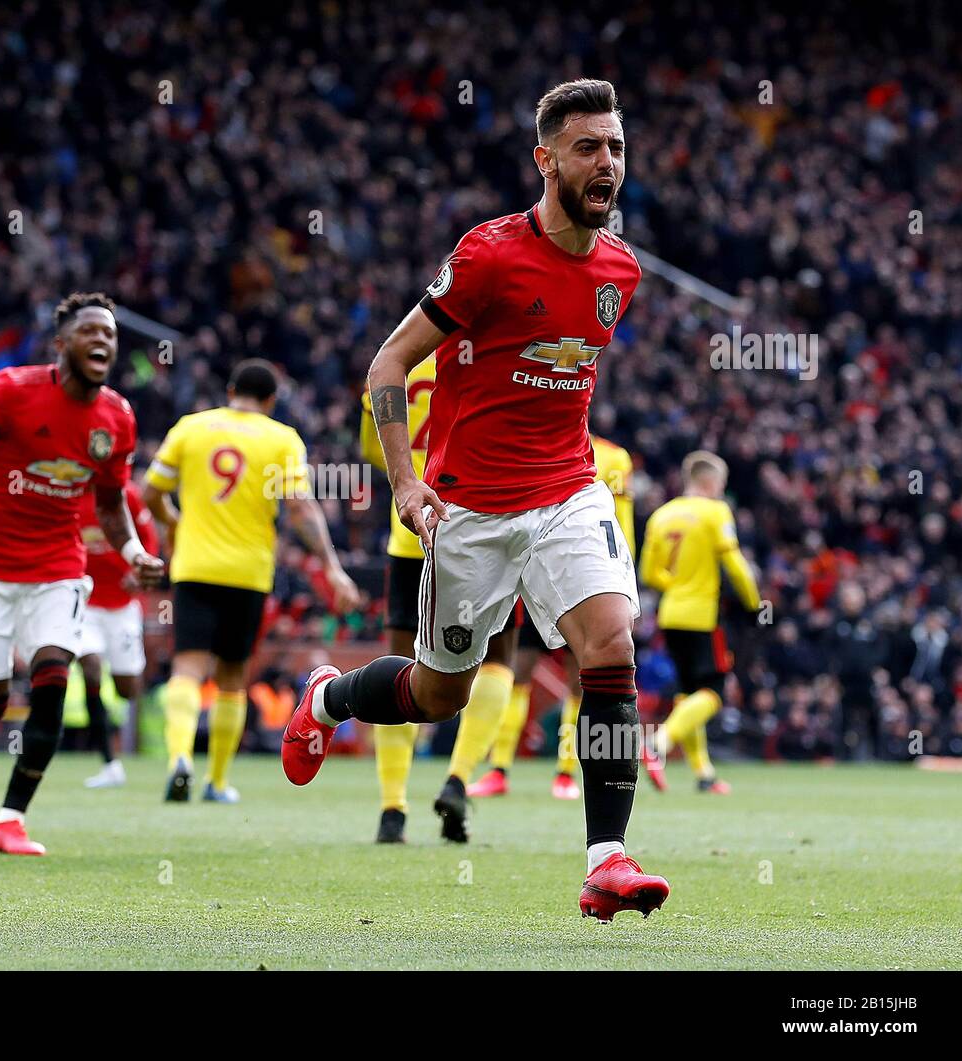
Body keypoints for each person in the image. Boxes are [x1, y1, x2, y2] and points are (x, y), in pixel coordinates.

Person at [281, 79, 670, 921]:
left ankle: (607, 857)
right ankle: (326, 698)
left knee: (610, 646)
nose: (607, 163)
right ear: (546, 160)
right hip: (472, 511)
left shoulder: (620, 269)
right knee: (436, 695)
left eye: (615, 148)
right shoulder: (489, 255)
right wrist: (406, 480)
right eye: (588, 148)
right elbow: (388, 364)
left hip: (569, 490)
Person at [0, 292, 164, 855]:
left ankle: (10, 821)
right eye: (90, 332)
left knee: (53, 680)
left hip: (57, 566)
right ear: (61, 344)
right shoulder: (10, 391)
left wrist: (135, 554)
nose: (103, 341)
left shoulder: (117, 417)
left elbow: (109, 502)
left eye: (111, 335)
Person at [144, 358, 361, 803]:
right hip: (248, 572)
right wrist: (332, 567)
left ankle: (179, 759)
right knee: (231, 678)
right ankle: (218, 781)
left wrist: (172, 522)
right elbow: (300, 508)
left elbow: (151, 492)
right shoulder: (282, 440)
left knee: (187, 668)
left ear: (229, 392)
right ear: (271, 400)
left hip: (194, 566)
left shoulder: (191, 428)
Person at [359, 355, 517, 844]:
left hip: (410, 531)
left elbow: (374, 452)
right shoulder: (501, 356)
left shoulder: (398, 361)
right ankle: (458, 779)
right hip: (481, 528)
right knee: (496, 661)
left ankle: (392, 809)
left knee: (400, 660)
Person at [469, 433, 636, 801]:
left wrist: (622, 579)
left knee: (582, 679)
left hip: (584, 577)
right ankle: (499, 769)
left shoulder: (615, 456)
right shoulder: (539, 440)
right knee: (519, 671)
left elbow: (620, 520)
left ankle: (564, 772)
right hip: (534, 571)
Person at [638, 450, 760, 792]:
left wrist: (676, 586)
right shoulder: (715, 512)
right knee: (714, 692)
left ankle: (703, 774)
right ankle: (658, 744)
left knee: (688, 693)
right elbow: (735, 563)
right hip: (702, 616)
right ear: (710, 482)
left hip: (670, 614)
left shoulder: (662, 515)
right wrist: (754, 603)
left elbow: (649, 572)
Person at [77, 479, 161, 789]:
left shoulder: (127, 495)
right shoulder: (69, 493)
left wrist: (137, 572)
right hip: (83, 600)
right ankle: (109, 762)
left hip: (123, 605)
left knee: (126, 687)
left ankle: (128, 745)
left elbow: (149, 538)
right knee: (90, 667)